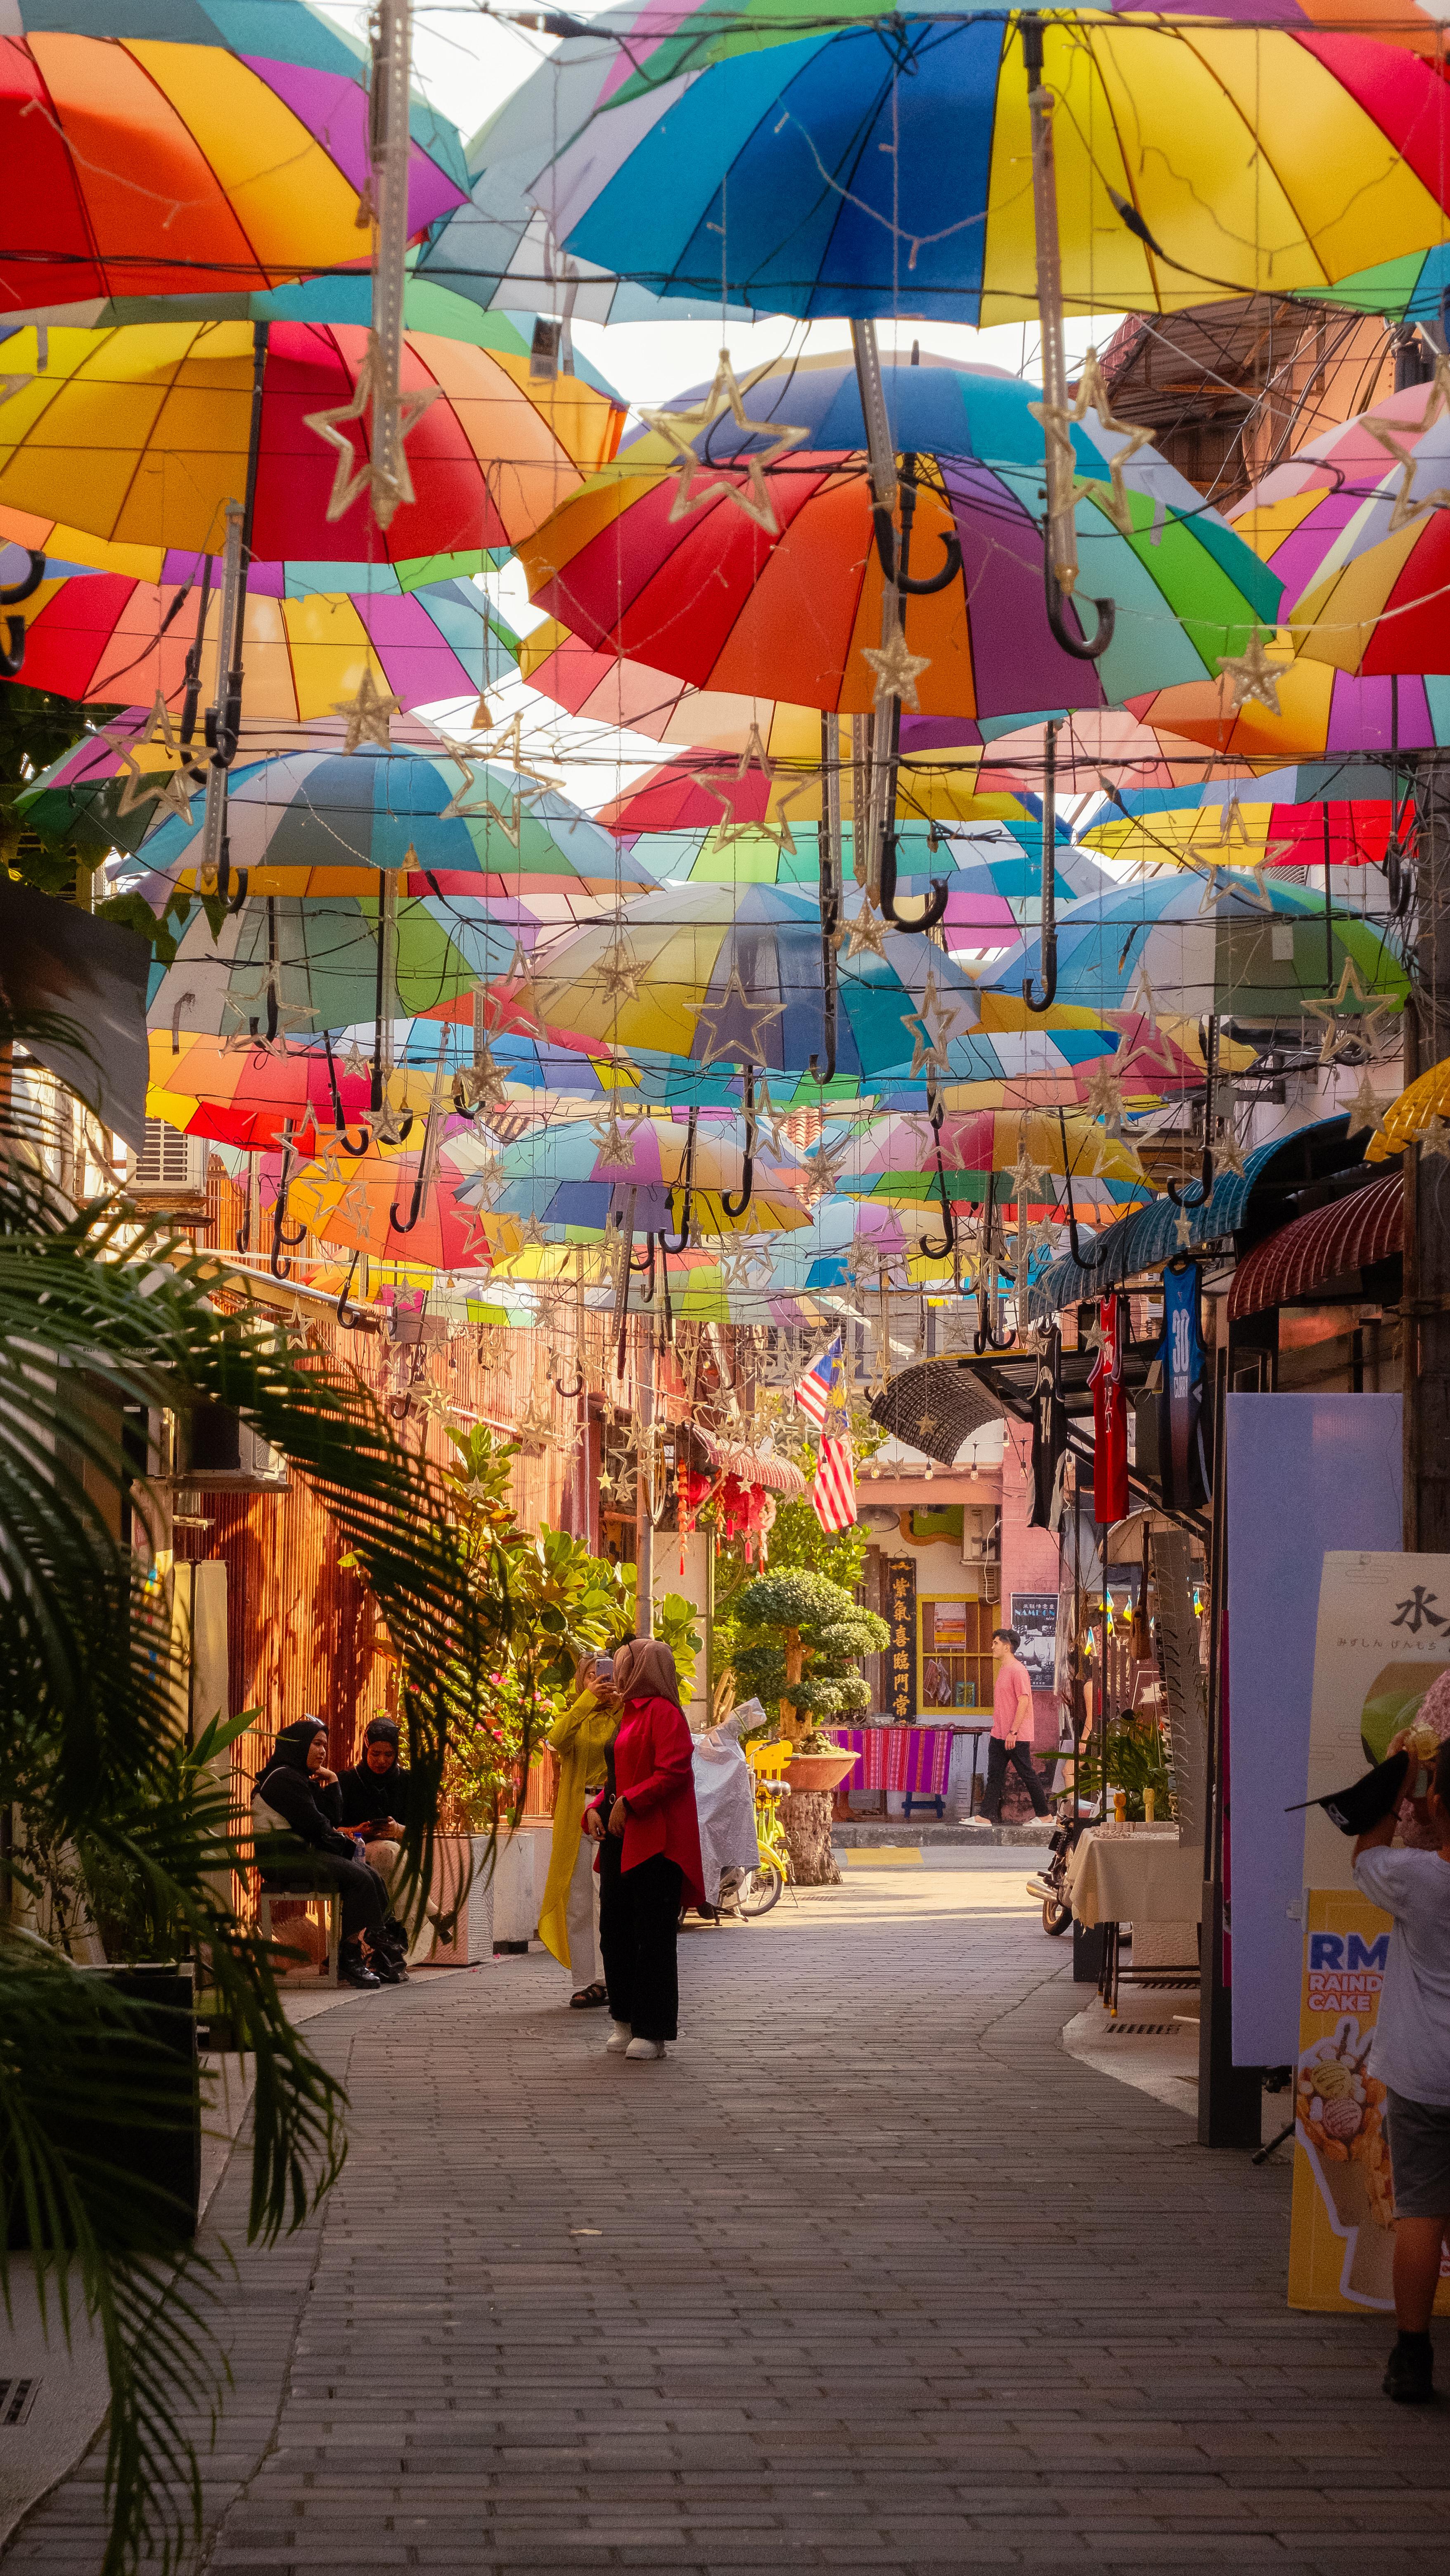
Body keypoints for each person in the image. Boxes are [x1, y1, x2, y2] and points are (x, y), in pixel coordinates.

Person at [1353, 1735, 1450, 2403]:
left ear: (1436, 1803)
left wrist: (1399, 1785)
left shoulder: (1416, 1880)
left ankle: (1411, 2358)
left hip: (1423, 2074)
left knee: (1421, 2214)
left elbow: (1365, 1854)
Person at [583, 1637, 704, 2061]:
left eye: (623, 1663)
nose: (616, 1671)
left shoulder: (664, 1713)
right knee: (615, 1932)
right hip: (622, 1838)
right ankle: (624, 2019)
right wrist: (596, 1809)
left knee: (652, 1937)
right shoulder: (629, 1714)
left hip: (656, 1842)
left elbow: (674, 1771)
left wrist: (630, 1802)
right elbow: (617, 1778)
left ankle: (652, 2031)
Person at [252, 1716, 396, 1991]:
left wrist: (332, 1780)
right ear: (299, 1744)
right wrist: (349, 1849)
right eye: (317, 1744)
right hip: (283, 1859)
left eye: (325, 1746)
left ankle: (378, 1945)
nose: (323, 1751)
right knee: (359, 1877)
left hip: (301, 1854)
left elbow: (331, 1818)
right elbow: (318, 1827)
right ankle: (351, 1957)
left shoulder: (297, 1777)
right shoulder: (283, 1779)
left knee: (368, 1873)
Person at [538, 1657, 621, 2007]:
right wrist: (587, 1701)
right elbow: (556, 1740)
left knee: (607, 1898)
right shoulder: (578, 1716)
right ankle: (588, 1980)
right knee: (578, 1901)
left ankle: (611, 1977)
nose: (599, 1681)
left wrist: (616, 1702)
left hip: (611, 1812)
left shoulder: (624, 1714)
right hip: (576, 1813)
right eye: (591, 1676)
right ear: (581, 1682)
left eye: (606, 1675)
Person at [336, 1717, 414, 1978]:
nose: (382, 1761)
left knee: (390, 1854)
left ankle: (384, 1950)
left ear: (397, 1753)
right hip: (356, 1856)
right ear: (365, 1750)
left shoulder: (407, 1782)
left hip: (397, 1859)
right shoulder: (347, 1781)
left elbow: (423, 1830)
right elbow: (331, 1828)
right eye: (375, 1754)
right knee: (387, 1853)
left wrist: (398, 1830)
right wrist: (358, 1830)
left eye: (389, 1755)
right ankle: (423, 1920)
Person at [980, 1626, 1050, 1823]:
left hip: (1015, 1735)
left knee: (1027, 1774)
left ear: (1007, 1647)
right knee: (994, 1776)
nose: (992, 1647)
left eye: (996, 1643)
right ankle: (985, 1816)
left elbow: (1024, 1701)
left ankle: (1045, 1815)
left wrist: (1014, 1732)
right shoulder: (1004, 1669)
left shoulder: (1018, 1670)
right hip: (999, 1734)